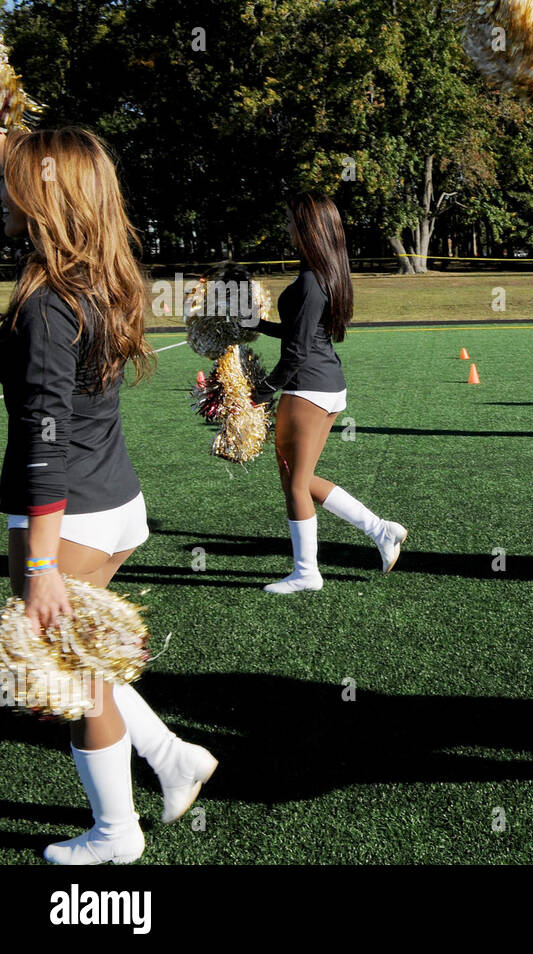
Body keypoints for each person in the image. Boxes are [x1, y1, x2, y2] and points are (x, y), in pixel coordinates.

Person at [0, 126, 217, 864]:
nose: (3, 191)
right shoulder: (99, 281)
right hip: (114, 504)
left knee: (71, 678)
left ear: (45, 198)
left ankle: (117, 835)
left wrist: (38, 563)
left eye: (15, 180)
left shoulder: (44, 303)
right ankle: (171, 756)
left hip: (71, 518)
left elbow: (44, 434)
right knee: (83, 660)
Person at [251, 193, 406, 594]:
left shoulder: (308, 281)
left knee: (295, 485)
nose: (286, 227)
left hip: (307, 390)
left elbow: (298, 351)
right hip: (329, 387)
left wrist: (263, 391)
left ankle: (307, 574)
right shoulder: (325, 273)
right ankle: (381, 530)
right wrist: (261, 325)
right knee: (298, 478)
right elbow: (305, 333)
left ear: (307, 227)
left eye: (290, 221)